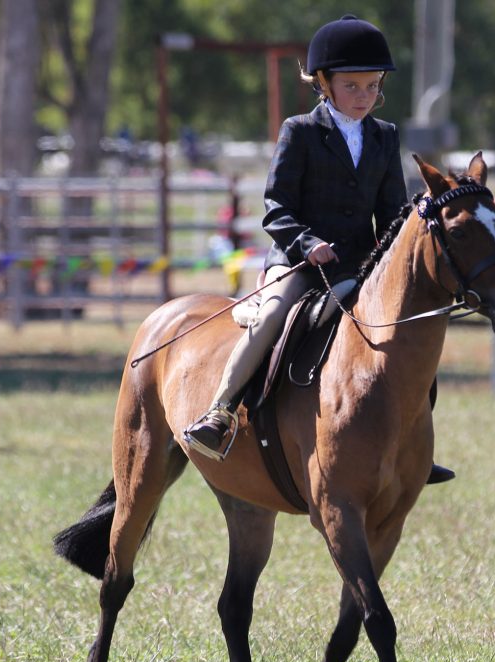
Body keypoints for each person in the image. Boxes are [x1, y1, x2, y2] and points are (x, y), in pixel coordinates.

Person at [184, 14, 454, 484]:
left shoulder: (385, 136)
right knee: (272, 316)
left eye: (372, 86)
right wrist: (308, 244)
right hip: (298, 263)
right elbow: (276, 208)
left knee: (407, 332)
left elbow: (392, 214)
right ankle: (220, 411)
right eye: (352, 86)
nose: (364, 96)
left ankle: (412, 441)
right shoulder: (300, 131)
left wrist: (394, 256)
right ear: (323, 83)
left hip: (358, 270)